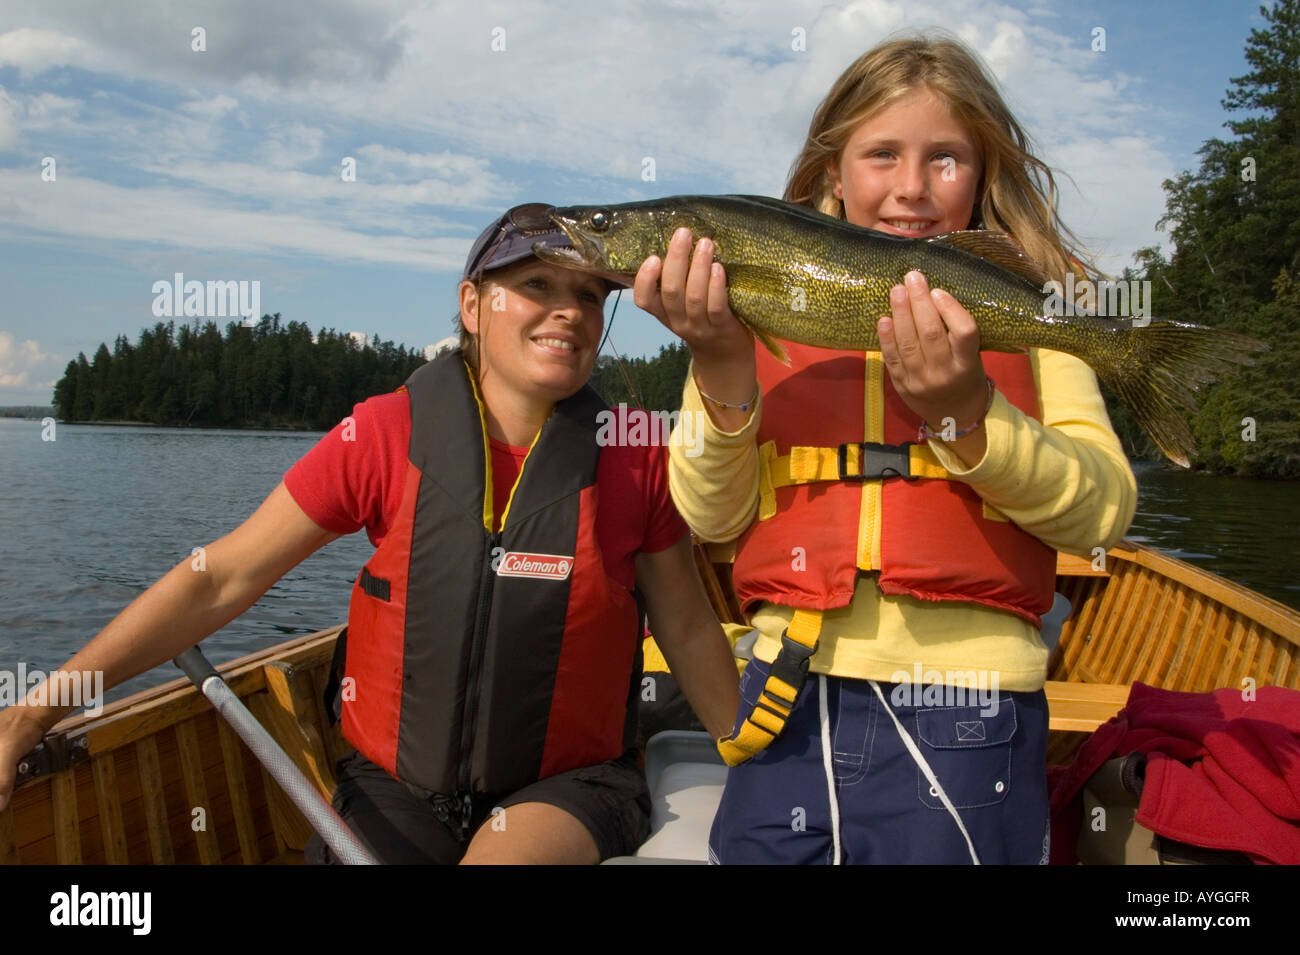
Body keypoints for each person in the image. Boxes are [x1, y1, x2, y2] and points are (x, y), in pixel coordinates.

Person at [0, 203, 740, 865]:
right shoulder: (382, 434)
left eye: (587, 294)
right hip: (395, 788)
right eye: (536, 286)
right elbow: (222, 576)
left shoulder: (634, 454)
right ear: (472, 305)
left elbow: (688, 629)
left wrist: (759, 765)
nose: (569, 313)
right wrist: (36, 711)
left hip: (568, 787)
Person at [636, 34, 1137, 864]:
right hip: (782, 699)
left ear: (982, 173)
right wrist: (721, 362)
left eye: (945, 158)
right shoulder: (744, 290)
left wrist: (968, 413)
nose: (911, 187)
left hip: (969, 709)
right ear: (835, 170)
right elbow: (710, 516)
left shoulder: (1038, 306)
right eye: (881, 155)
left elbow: (1103, 515)